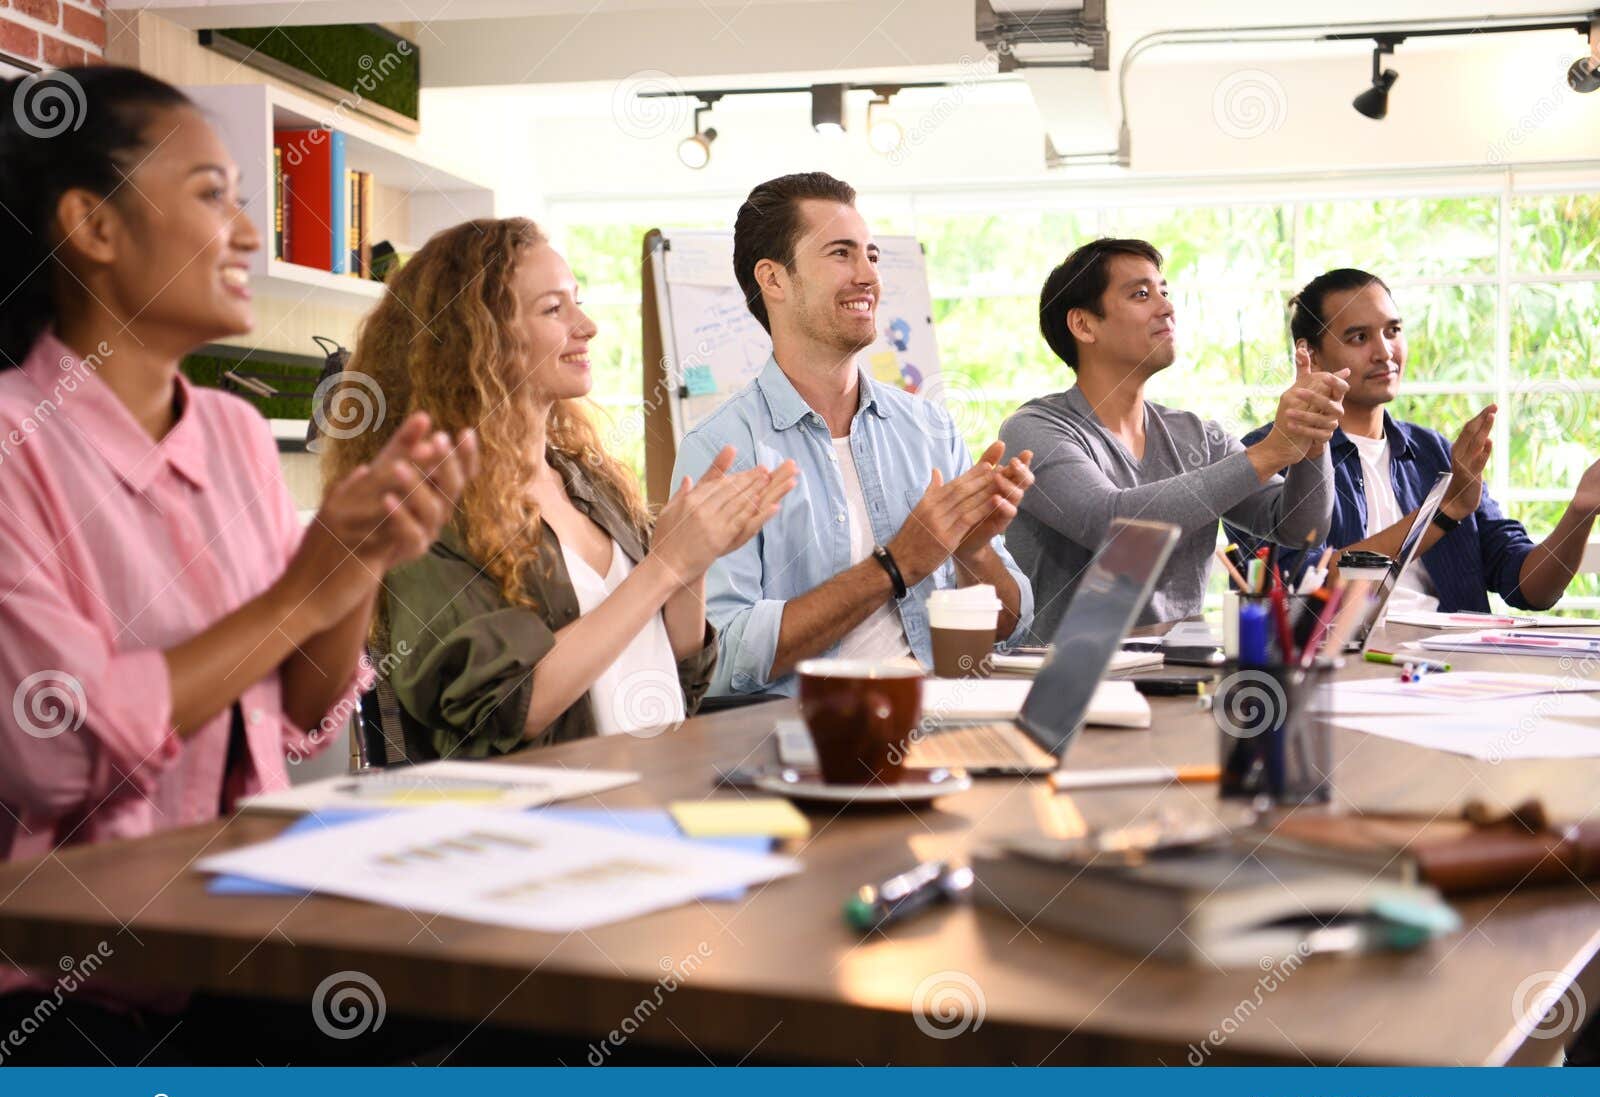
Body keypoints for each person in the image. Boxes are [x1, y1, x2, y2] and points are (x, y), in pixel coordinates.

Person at [0, 66, 475, 1061]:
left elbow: (299, 712)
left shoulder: (234, 432)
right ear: (93, 225)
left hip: (240, 945)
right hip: (59, 994)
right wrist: (306, 581)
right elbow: (53, 753)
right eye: (213, 195)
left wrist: (355, 565)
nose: (250, 236)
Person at [324, 218, 796, 757]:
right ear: (477, 340)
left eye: (577, 302)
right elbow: (507, 707)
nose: (588, 325)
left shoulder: (588, 480)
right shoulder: (428, 507)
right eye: (554, 309)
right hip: (544, 826)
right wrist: (663, 567)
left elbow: (680, 681)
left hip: (660, 795)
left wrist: (692, 563)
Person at [671, 172, 1034, 697]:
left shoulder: (930, 428)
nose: (868, 275)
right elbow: (721, 657)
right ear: (773, 280)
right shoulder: (721, 449)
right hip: (809, 737)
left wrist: (972, 554)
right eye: (841, 254)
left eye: (872, 255)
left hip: (938, 717)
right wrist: (897, 564)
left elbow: (1009, 626)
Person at [999, 238, 1342, 635]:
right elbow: (1111, 526)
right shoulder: (1034, 429)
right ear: (1083, 324)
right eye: (1141, 294)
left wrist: (1312, 439)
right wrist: (1270, 453)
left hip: (1181, 674)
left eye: (1165, 291)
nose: (1167, 306)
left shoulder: (1200, 436)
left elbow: (1302, 529)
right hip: (1070, 682)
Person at [1236, 268, 1600, 612]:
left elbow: (1529, 589)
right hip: (1342, 667)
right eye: (1359, 337)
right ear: (1309, 355)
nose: (1384, 352)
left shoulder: (1436, 453)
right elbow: (1305, 587)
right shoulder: (1266, 455)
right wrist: (1443, 513)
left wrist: (1581, 511)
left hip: (1450, 663)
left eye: (1393, 331)